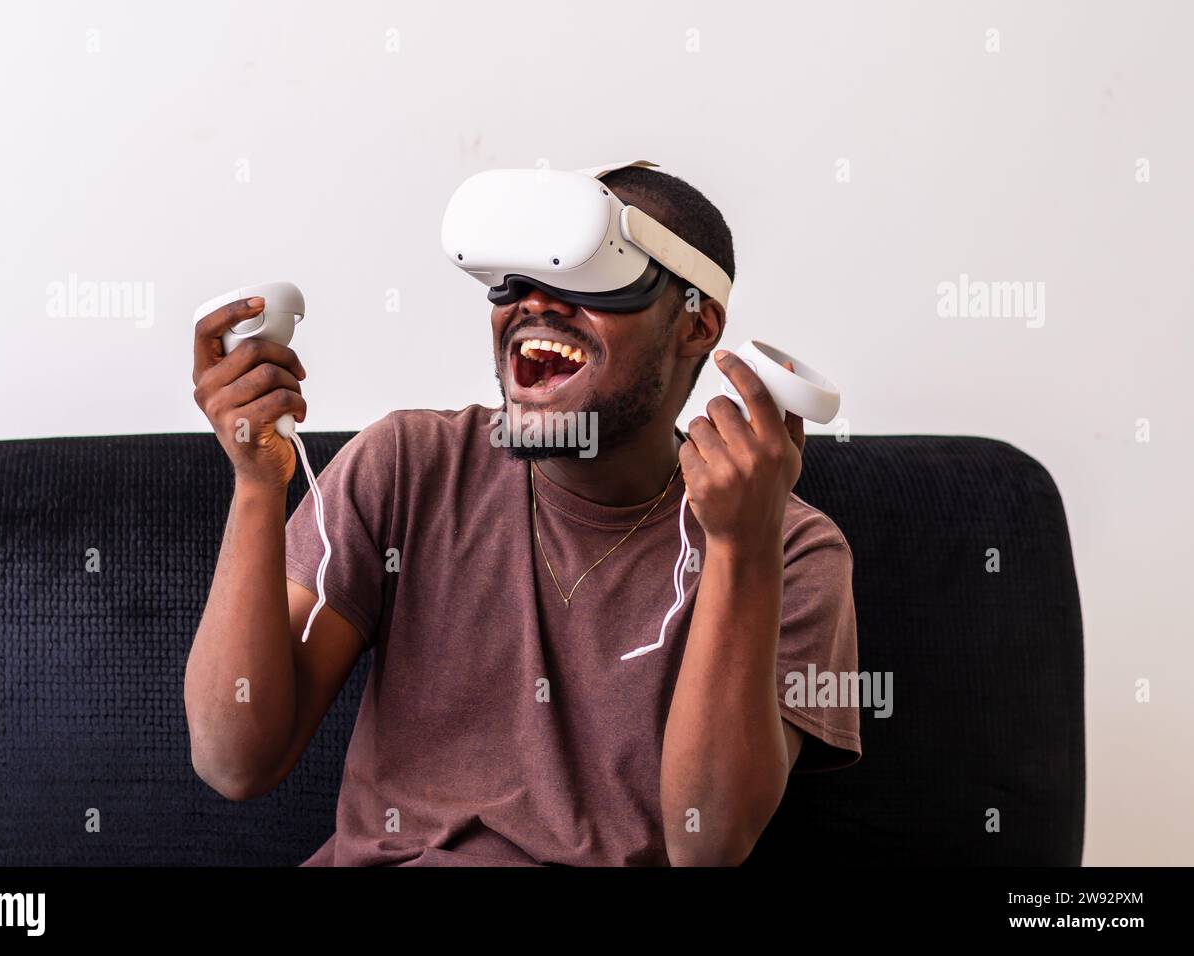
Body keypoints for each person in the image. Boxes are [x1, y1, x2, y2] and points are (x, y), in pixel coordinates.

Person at [184, 165, 860, 866]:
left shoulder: (791, 550)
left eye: (592, 275)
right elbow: (235, 762)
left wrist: (739, 549)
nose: (535, 302)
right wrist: (258, 486)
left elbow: (709, 842)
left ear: (696, 322)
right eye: (518, 276)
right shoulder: (409, 465)